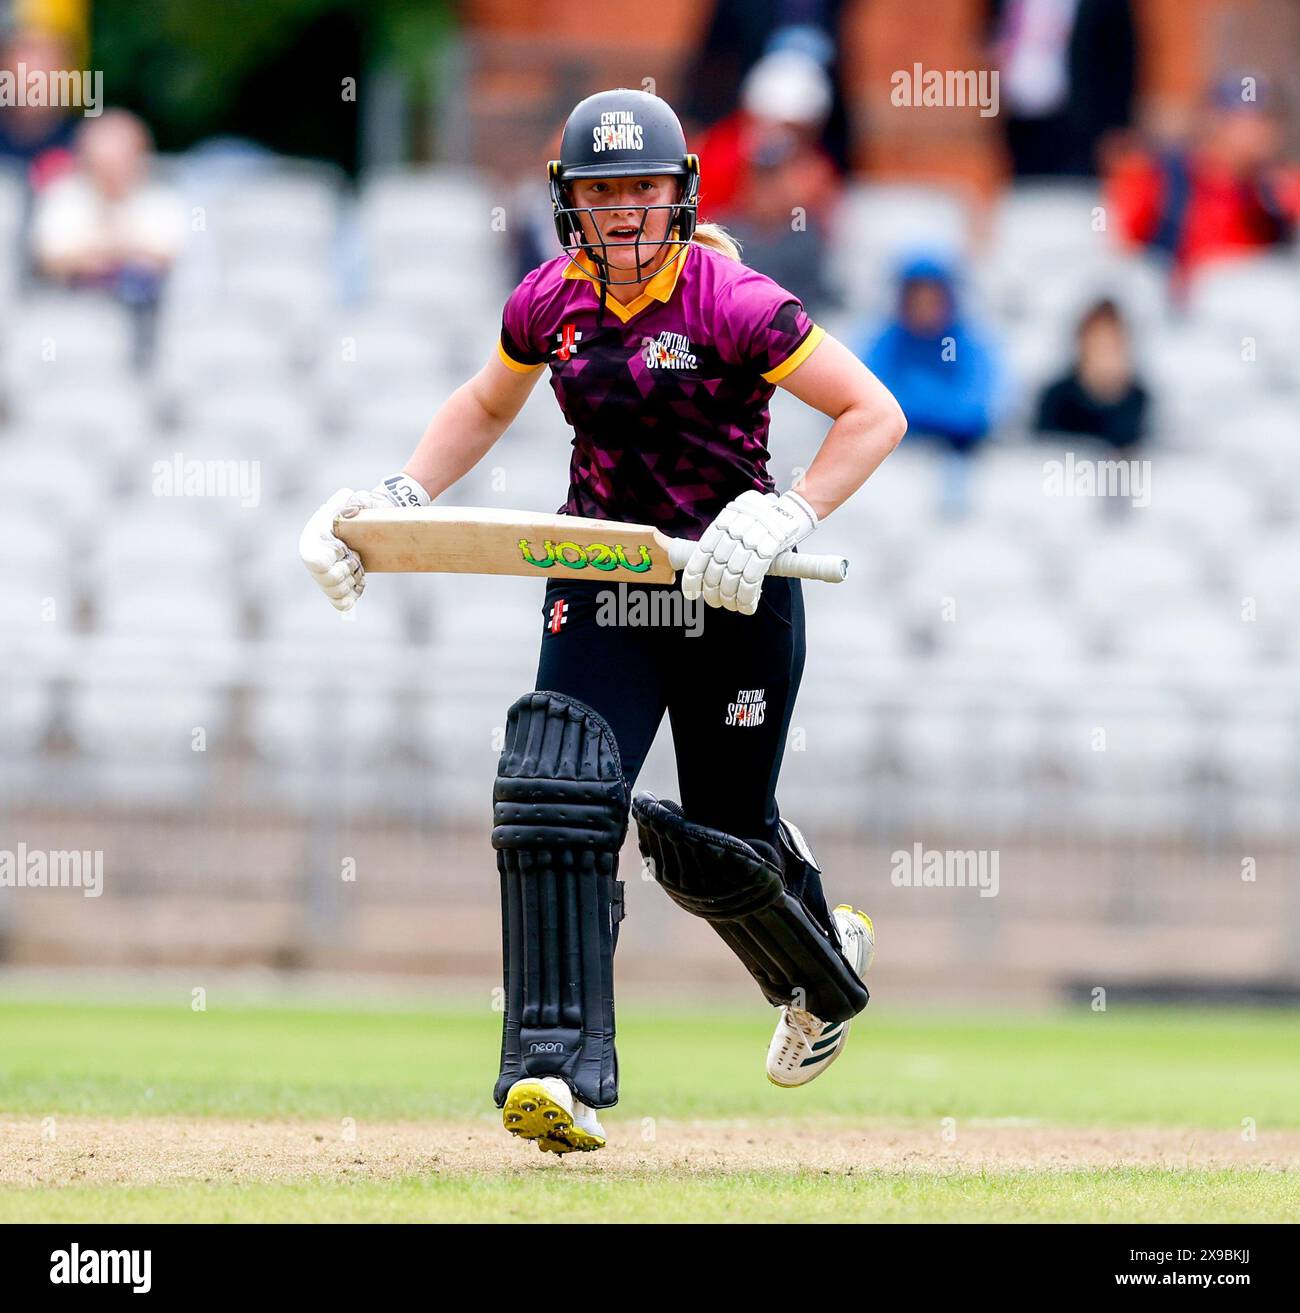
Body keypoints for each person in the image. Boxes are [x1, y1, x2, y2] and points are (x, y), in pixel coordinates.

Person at [299, 89, 906, 1155]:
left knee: (720, 842)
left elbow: (873, 412)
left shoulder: (733, 298)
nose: (622, 212)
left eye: (642, 190)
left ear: (678, 197)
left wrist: (787, 509)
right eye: (600, 192)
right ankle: (553, 1071)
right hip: (601, 578)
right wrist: (399, 498)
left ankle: (818, 971)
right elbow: (488, 403)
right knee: (557, 796)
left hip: (730, 587)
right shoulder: (549, 300)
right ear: (567, 203)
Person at [1107, 77, 1300, 285]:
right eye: (1255, 122)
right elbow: (1119, 255)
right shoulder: (1163, 179)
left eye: (1271, 122)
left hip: (1259, 301)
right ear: (1217, 123)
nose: (1265, 135)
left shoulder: (1277, 188)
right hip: (1180, 307)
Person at [30, 109, 186, 366]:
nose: (111, 172)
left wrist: (97, 251)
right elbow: (50, 258)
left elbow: (167, 257)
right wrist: (127, 248)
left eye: (120, 160)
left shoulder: (163, 200)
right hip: (73, 318)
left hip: (151, 319)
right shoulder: (62, 197)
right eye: (102, 162)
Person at [1035, 298, 1148, 448]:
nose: (1104, 353)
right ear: (1082, 343)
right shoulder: (1055, 399)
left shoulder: (1141, 401)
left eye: (1111, 344)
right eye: (1098, 343)